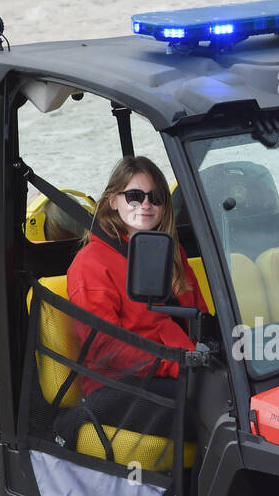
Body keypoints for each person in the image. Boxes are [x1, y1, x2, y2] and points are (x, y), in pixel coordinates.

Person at [64, 156, 208, 434]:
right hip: (117, 387)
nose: (145, 204)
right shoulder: (90, 263)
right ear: (112, 201)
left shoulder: (173, 254)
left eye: (154, 197)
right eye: (134, 196)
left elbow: (200, 320)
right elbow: (103, 348)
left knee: (240, 394)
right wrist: (175, 364)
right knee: (222, 412)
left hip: (181, 370)